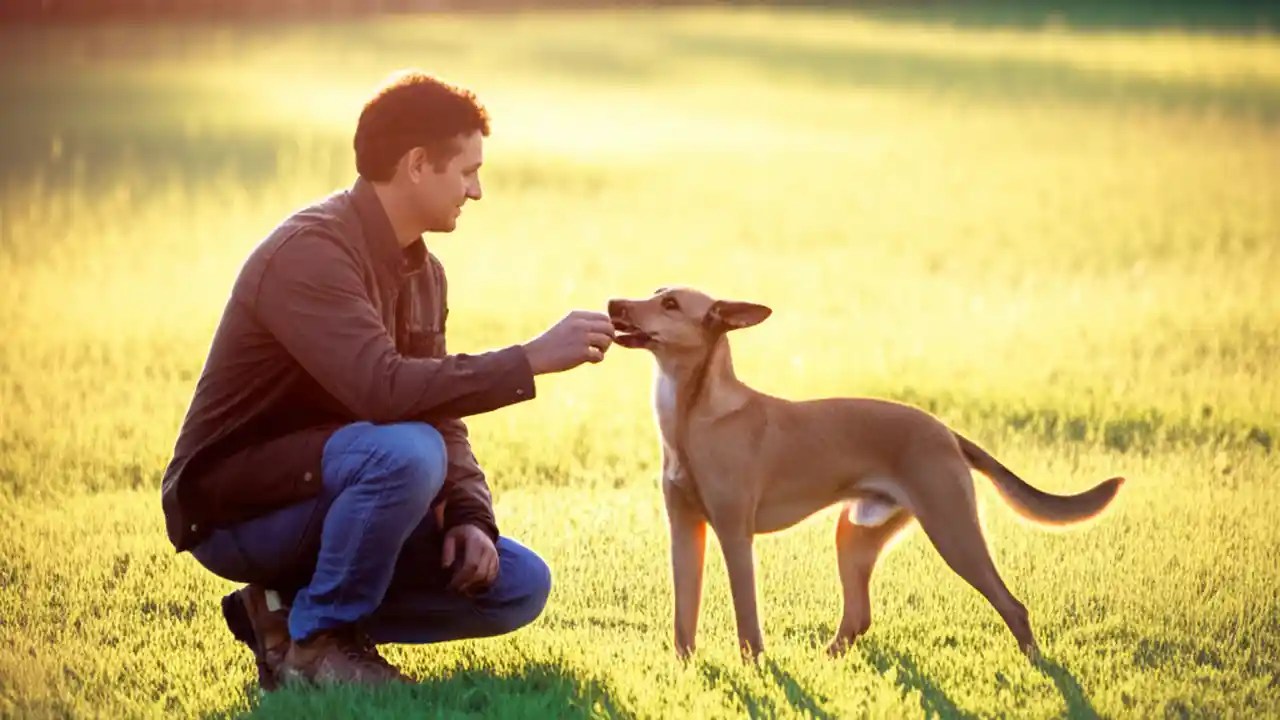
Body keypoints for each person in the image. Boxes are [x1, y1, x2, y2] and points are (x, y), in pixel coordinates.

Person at [159, 70, 616, 687]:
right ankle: (318, 642)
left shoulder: (424, 275)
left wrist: (469, 517)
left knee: (517, 585)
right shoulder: (311, 253)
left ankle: (279, 612)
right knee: (407, 452)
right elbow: (384, 390)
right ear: (419, 164)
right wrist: (529, 358)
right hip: (239, 510)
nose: (476, 191)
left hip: (339, 488)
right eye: (468, 171)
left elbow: (438, 409)